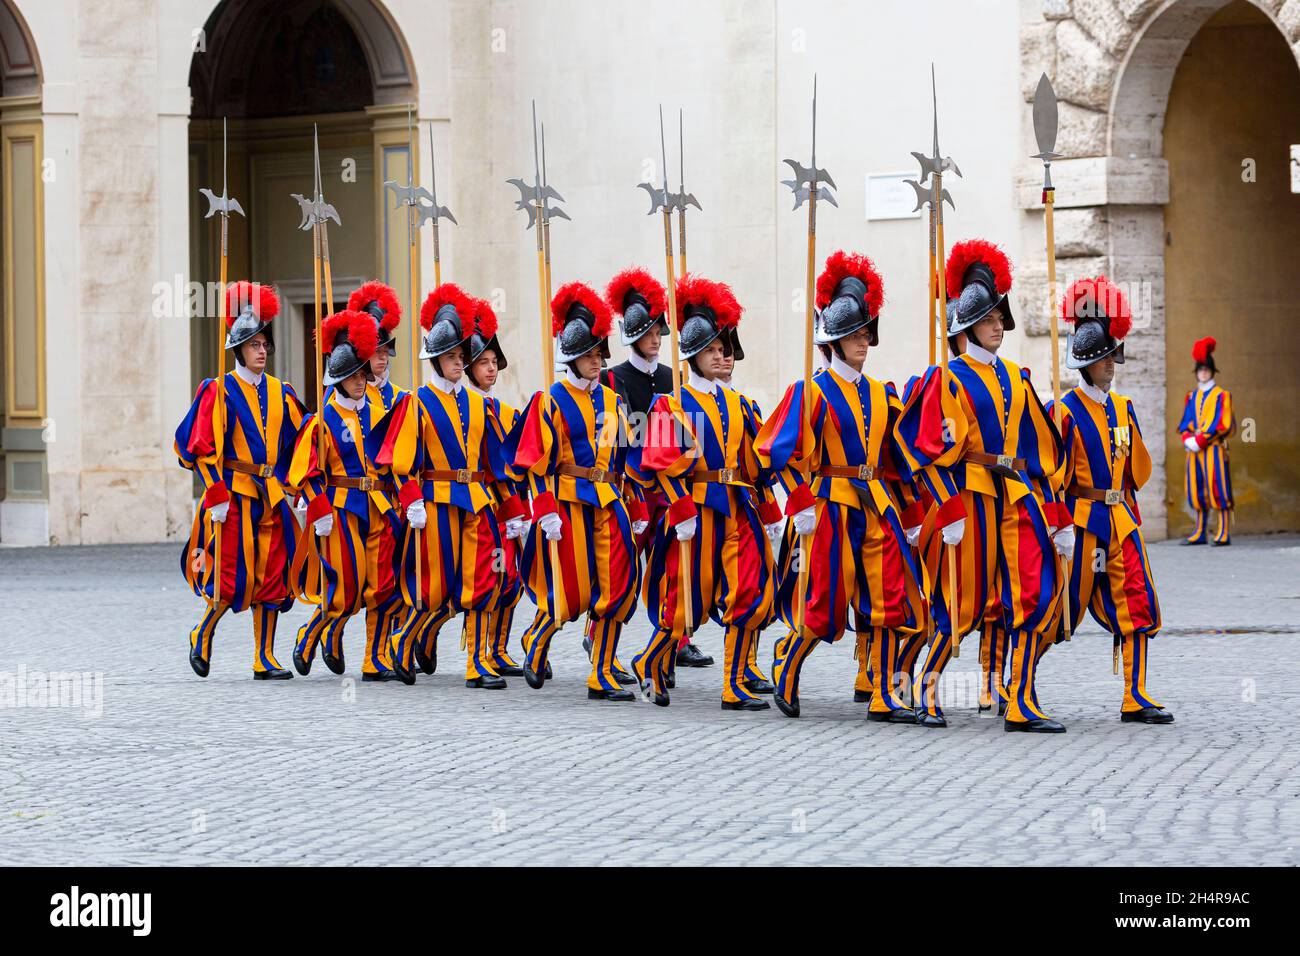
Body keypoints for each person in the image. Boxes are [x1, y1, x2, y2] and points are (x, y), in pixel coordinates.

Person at [895, 239, 1069, 733]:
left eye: (1000, 316)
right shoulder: (945, 379)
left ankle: (1018, 699)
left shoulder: (1018, 376)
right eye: (990, 317)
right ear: (967, 326)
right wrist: (947, 509)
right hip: (969, 498)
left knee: (1035, 594)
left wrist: (1054, 512)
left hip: (1016, 494)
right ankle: (925, 690)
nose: (999, 324)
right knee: (961, 604)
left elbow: (1043, 453)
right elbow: (922, 450)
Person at [755, 251, 925, 722]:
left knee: (890, 602)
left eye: (866, 332)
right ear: (832, 338)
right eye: (852, 334)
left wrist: (910, 514)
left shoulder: (882, 393)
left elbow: (895, 461)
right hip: (830, 506)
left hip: (877, 506)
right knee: (823, 604)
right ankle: (788, 661)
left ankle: (884, 696)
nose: (863, 342)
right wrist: (800, 499)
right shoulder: (811, 391)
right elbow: (772, 450)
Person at [632, 275, 776, 710]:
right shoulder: (668, 404)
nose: (722, 356)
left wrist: (770, 512)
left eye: (724, 349)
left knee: (749, 591)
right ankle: (648, 662)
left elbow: (757, 463)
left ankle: (733, 685)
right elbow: (655, 464)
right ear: (694, 354)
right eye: (713, 349)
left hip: (737, 506)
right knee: (685, 602)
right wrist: (680, 509)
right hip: (696, 511)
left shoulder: (740, 404)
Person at [507, 281, 645, 701]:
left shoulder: (612, 399)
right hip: (567, 503)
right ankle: (536, 637)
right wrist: (544, 510)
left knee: (618, 588)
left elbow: (626, 458)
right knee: (571, 592)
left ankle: (600, 672)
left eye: (600, 353)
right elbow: (533, 462)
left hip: (610, 503)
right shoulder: (548, 401)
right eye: (588, 354)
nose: (597, 361)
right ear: (571, 357)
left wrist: (635, 502)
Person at [372, 283, 510, 688]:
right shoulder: (417, 402)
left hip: (476, 500)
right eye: (450, 356)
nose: (458, 362)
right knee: (435, 588)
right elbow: (401, 464)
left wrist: (512, 509)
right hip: (435, 502)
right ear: (434, 359)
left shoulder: (479, 403)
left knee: (482, 582)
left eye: (461, 355)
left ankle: (478, 664)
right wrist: (412, 500)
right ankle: (402, 641)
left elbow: (494, 462)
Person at [1053, 276, 1173, 724]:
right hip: (1082, 520)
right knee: (1058, 609)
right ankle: (1016, 685)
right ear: (1085, 362)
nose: (1111, 364)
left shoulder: (1123, 408)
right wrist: (1058, 523)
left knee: (1137, 601)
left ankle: (1134, 693)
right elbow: (1055, 476)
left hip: (1119, 518)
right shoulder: (1063, 411)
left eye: (1112, 356)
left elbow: (1136, 471)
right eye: (1103, 358)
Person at [175, 281, 308, 680]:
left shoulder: (281, 392)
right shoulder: (218, 390)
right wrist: (215, 493)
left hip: (271, 494)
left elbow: (301, 441)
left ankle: (263, 656)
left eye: (265, 343)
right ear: (238, 349)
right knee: (232, 576)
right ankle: (202, 632)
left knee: (272, 577)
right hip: (232, 495)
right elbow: (200, 446)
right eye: (253, 344)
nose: (262, 350)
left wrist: (301, 485)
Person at [601, 267, 713, 673]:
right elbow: (611, 440)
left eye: (659, 331)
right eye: (648, 332)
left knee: (673, 566)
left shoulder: (675, 379)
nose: (656, 338)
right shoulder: (612, 378)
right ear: (632, 334)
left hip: (668, 488)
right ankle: (602, 643)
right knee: (621, 570)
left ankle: (678, 637)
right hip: (630, 490)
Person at [288, 308, 403, 681]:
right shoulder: (323, 419)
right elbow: (306, 472)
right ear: (337, 379)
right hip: (340, 509)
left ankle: (374, 657)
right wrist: (318, 510)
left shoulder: (379, 411)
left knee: (381, 586)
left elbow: (394, 461)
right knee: (346, 588)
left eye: (363, 374)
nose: (360, 381)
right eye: (353, 375)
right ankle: (312, 633)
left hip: (379, 506)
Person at [1178, 337, 1234, 546]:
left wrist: (1201, 439)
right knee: (1196, 489)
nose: (1203, 372)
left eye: (1206, 368)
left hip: (1213, 449)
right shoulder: (1191, 396)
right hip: (1193, 450)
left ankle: (1223, 531)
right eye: (1200, 369)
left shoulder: (1222, 396)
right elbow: (1185, 422)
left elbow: (1224, 423)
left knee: (1218, 488)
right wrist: (1187, 438)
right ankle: (1200, 531)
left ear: (1212, 371)